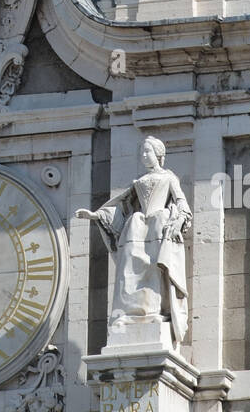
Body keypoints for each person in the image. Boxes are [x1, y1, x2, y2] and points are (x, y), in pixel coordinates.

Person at [78, 136, 192, 345]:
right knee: (128, 268)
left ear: (159, 155)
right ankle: (130, 311)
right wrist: (95, 215)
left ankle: (154, 310)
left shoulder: (169, 178)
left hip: (158, 224)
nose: (144, 156)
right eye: (142, 152)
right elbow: (119, 204)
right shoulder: (138, 181)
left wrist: (179, 220)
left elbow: (182, 202)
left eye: (148, 152)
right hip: (138, 227)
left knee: (154, 269)